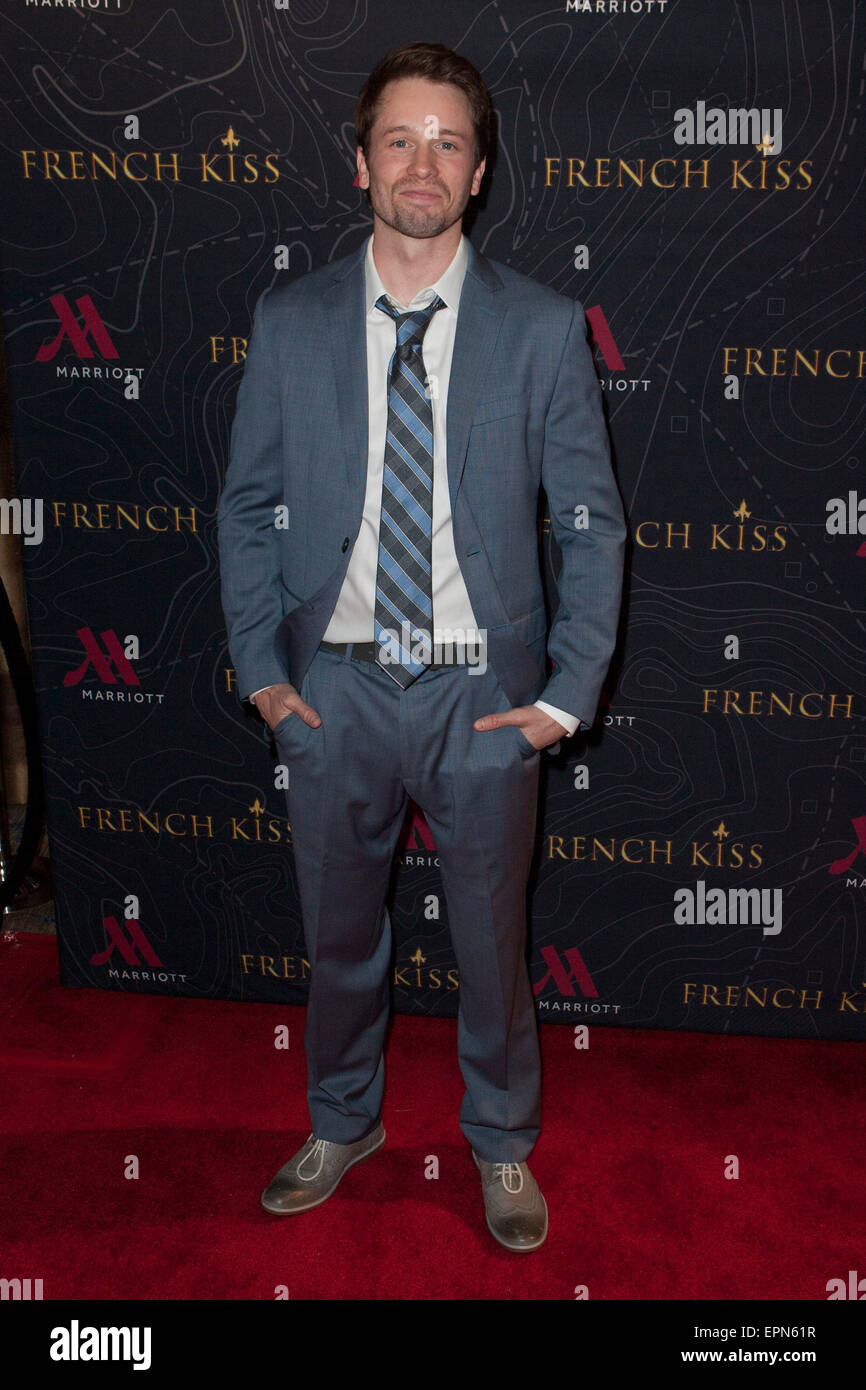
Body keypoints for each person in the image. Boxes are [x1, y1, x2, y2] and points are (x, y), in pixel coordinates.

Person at [217, 40, 625, 1253]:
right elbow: (244, 507)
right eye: (399, 137)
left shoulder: (544, 331)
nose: (422, 162)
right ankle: (342, 1120)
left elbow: (594, 525)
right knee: (338, 936)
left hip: (479, 700)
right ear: (359, 163)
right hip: (334, 688)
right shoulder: (288, 323)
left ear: (479, 172)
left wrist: (562, 697)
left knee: (494, 945)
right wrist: (263, 672)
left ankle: (500, 1143)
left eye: (448, 141)